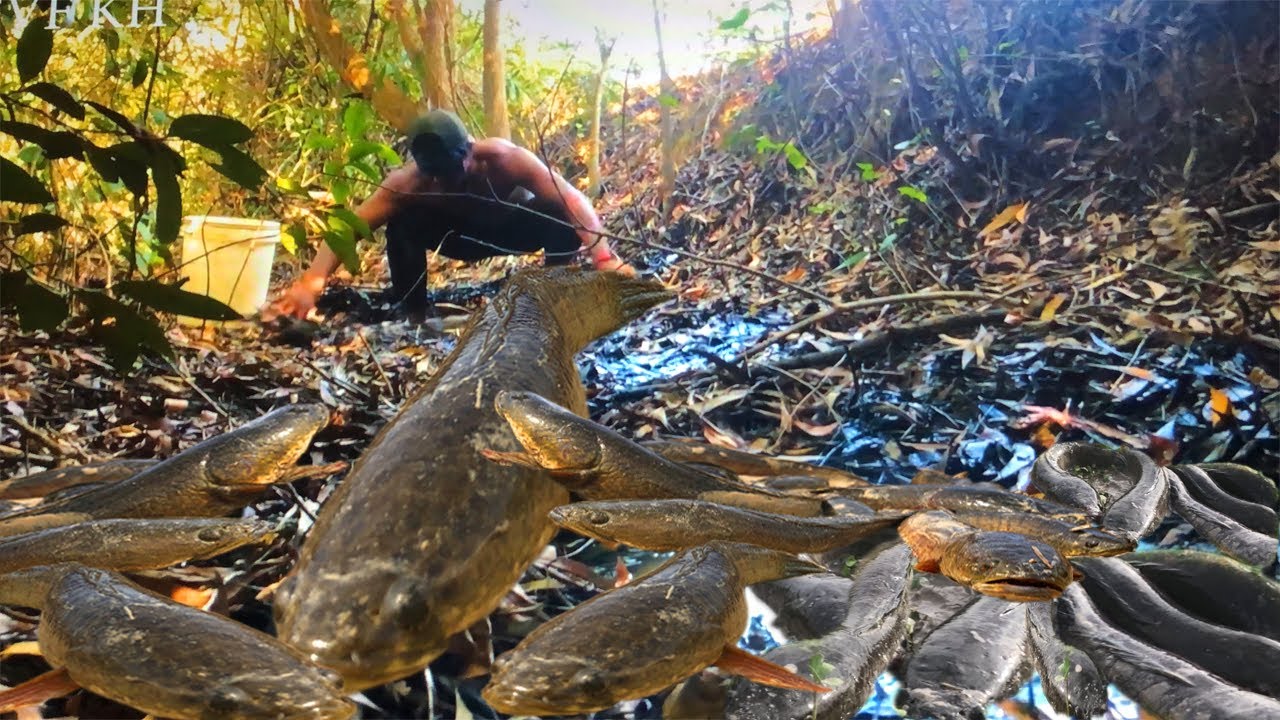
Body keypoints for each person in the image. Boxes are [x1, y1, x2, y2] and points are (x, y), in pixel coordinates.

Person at [268, 110, 633, 320]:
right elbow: (349, 230)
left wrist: (603, 257)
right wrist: (311, 283)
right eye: (433, 173)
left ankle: (553, 294)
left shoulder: (506, 159)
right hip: (455, 238)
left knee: (557, 212)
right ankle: (412, 310)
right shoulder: (409, 183)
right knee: (401, 222)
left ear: (470, 152)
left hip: (510, 227)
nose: (442, 180)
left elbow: (571, 198)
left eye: (450, 170)